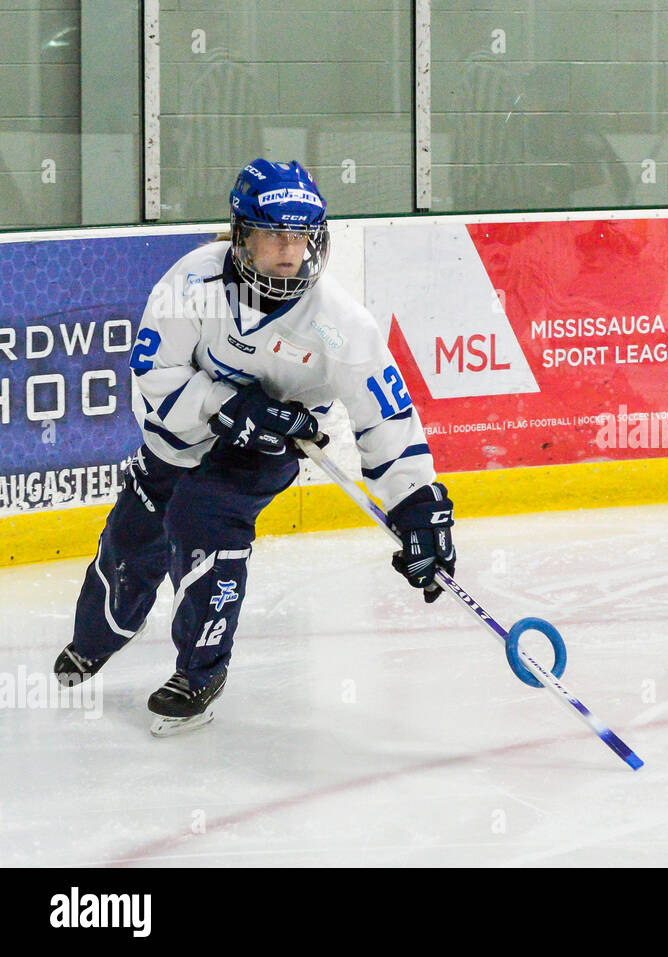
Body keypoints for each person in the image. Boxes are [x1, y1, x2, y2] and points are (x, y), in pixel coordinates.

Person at [53, 160, 457, 734]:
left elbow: (386, 419)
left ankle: (199, 671)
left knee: (201, 524)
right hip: (180, 439)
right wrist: (228, 405)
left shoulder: (341, 323)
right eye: (273, 234)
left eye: (301, 236)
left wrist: (418, 507)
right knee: (131, 540)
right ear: (241, 235)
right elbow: (152, 372)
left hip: (260, 454)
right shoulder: (193, 281)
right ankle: (97, 639)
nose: (289, 251)